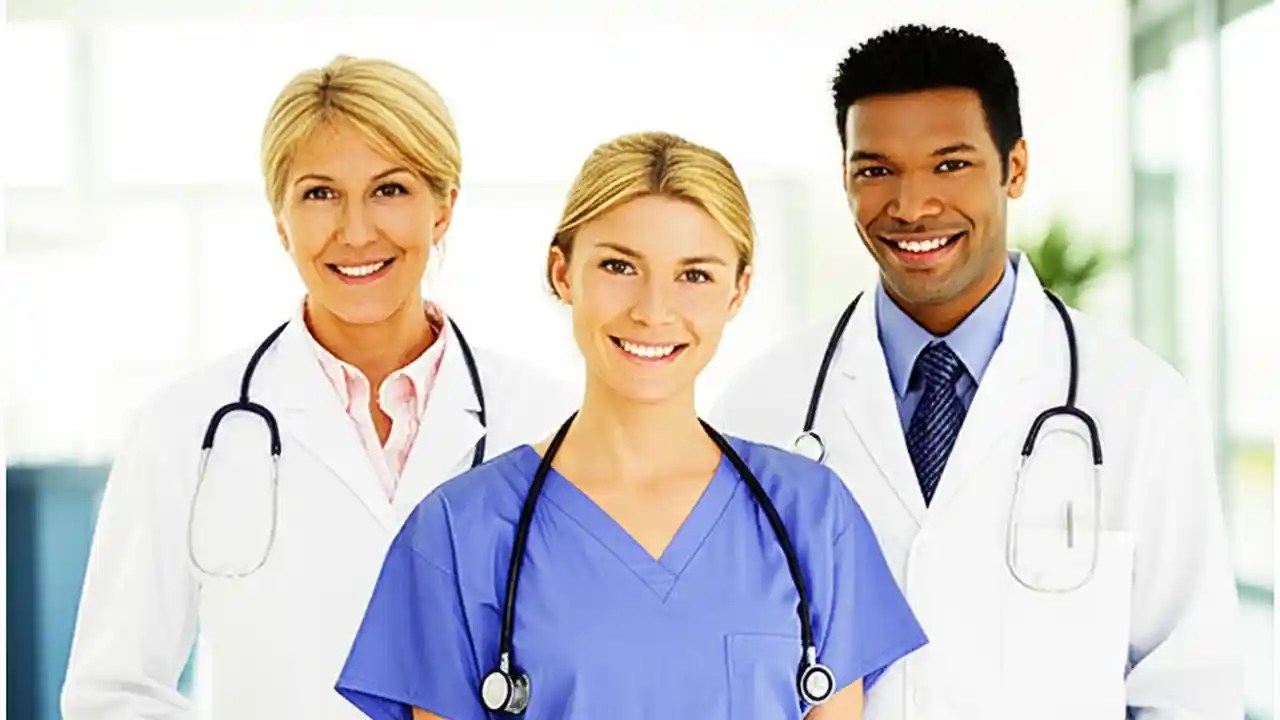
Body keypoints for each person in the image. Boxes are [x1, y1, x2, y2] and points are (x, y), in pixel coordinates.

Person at [710, 24, 1242, 719]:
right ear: (845, 176)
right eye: (875, 170)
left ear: (1014, 168)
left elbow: (1189, 689)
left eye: (949, 164)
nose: (911, 205)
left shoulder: (1140, 403)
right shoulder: (760, 408)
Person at [334, 131, 927, 720]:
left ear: (738, 291)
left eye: (694, 275)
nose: (653, 310)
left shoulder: (813, 517)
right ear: (562, 274)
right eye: (620, 266)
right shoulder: (458, 532)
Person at [60, 55, 572, 719]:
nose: (356, 231)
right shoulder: (184, 427)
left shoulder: (548, 422)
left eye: (390, 190)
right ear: (281, 220)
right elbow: (112, 692)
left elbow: (594, 668)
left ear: (443, 209)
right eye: (319, 193)